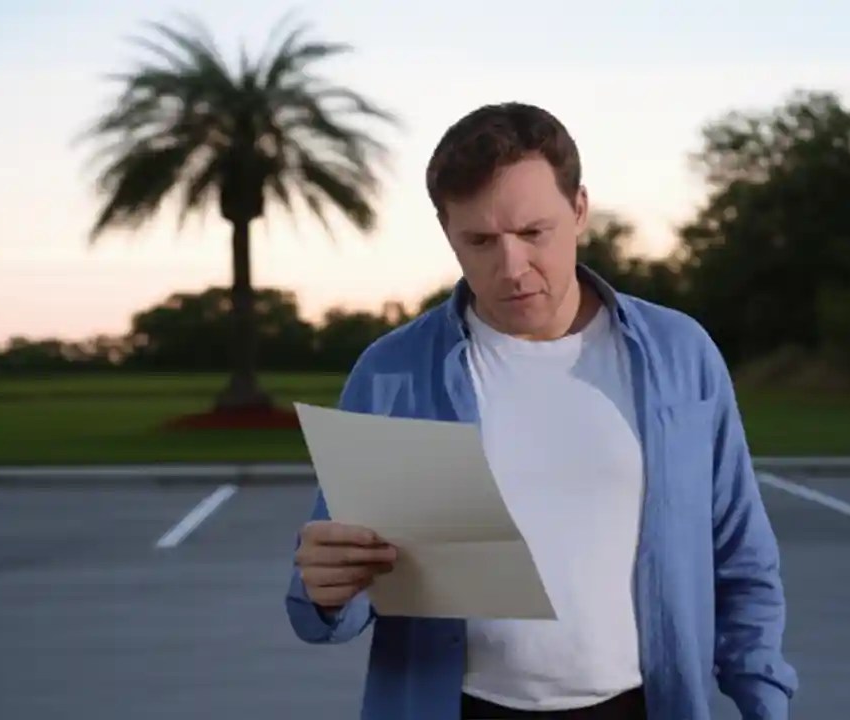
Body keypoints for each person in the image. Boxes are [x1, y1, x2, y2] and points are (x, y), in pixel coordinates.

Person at [285, 102, 797, 719]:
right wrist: (326, 591)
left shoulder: (680, 353)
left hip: (642, 706)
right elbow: (332, 604)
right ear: (447, 231)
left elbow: (741, 558)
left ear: (579, 209)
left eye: (533, 233)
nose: (511, 268)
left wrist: (762, 702)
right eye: (479, 240)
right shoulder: (391, 373)